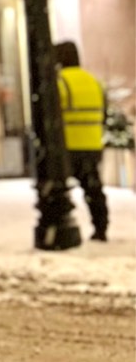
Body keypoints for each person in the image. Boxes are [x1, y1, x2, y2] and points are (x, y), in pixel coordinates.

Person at [55, 39, 109, 243]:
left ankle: (63, 224)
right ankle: (101, 227)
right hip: (93, 144)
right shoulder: (93, 81)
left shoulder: (60, 82)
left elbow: (52, 115)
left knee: (59, 190)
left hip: (69, 145)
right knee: (94, 188)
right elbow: (104, 112)